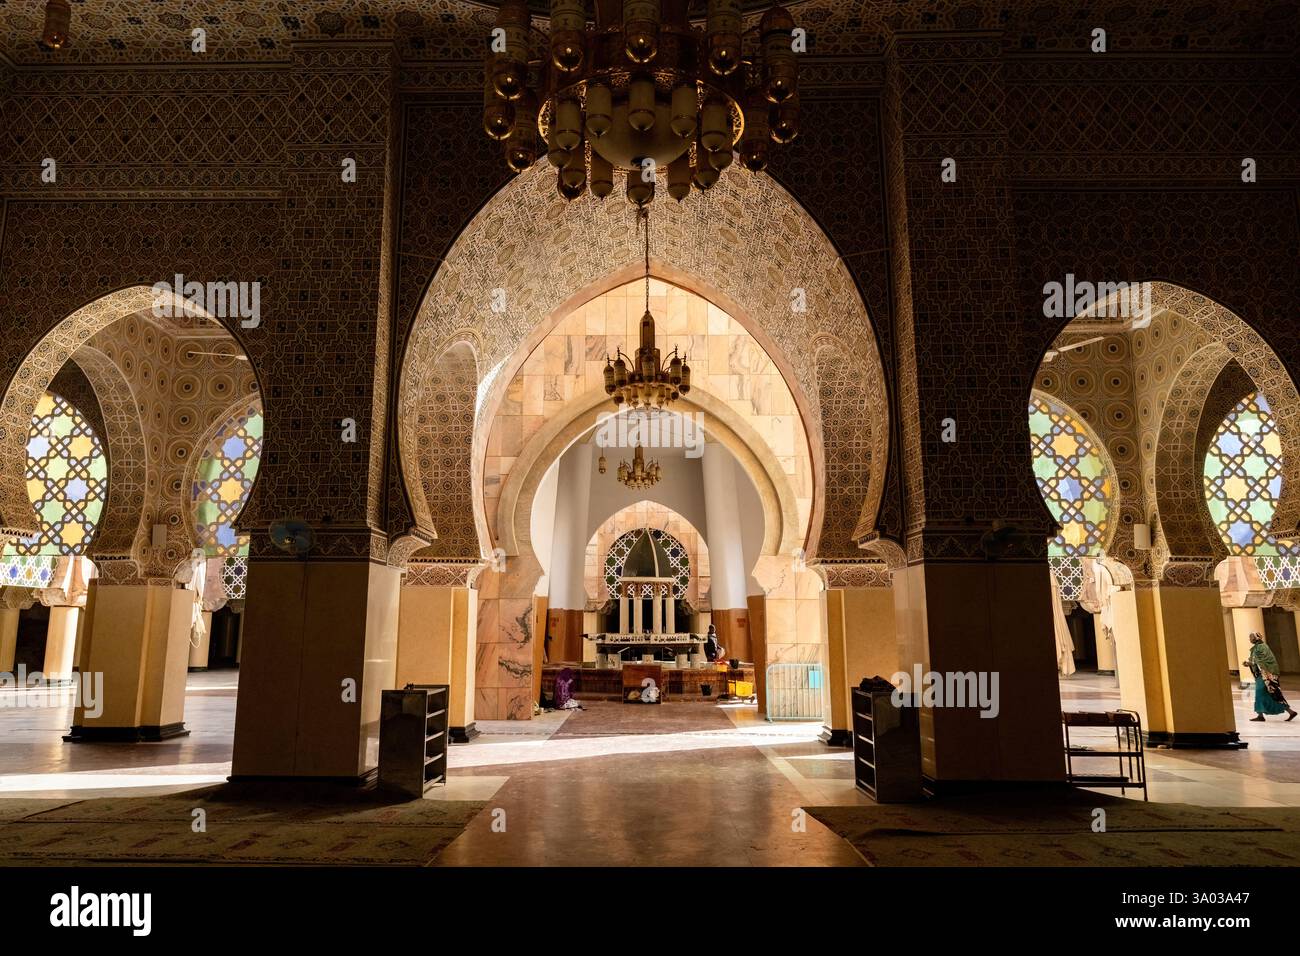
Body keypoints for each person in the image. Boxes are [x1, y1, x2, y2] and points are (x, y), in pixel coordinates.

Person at [1244, 632, 1296, 722]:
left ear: (1256, 638)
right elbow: (1256, 660)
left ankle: (1261, 715)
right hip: (1262, 674)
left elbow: (1263, 660)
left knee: (1263, 693)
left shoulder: (1262, 647)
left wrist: (1251, 663)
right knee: (1270, 694)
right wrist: (1249, 663)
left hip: (1267, 674)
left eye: (1251, 637)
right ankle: (1290, 712)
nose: (1249, 639)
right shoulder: (1256, 648)